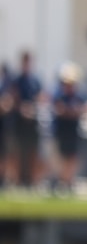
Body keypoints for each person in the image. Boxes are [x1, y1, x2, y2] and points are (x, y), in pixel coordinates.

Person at [5, 50, 43, 189]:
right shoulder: (16, 79)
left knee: (33, 151)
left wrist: (32, 109)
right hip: (18, 122)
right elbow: (12, 98)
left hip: (32, 122)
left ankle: (31, 181)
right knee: (17, 151)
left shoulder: (35, 80)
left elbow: (40, 97)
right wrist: (22, 108)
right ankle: (17, 180)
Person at [48, 63, 87, 192]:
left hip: (74, 131)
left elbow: (85, 109)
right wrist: (71, 112)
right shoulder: (59, 95)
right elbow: (59, 109)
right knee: (60, 159)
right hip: (61, 131)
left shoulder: (79, 95)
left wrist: (73, 112)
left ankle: (68, 182)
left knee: (73, 158)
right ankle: (60, 182)